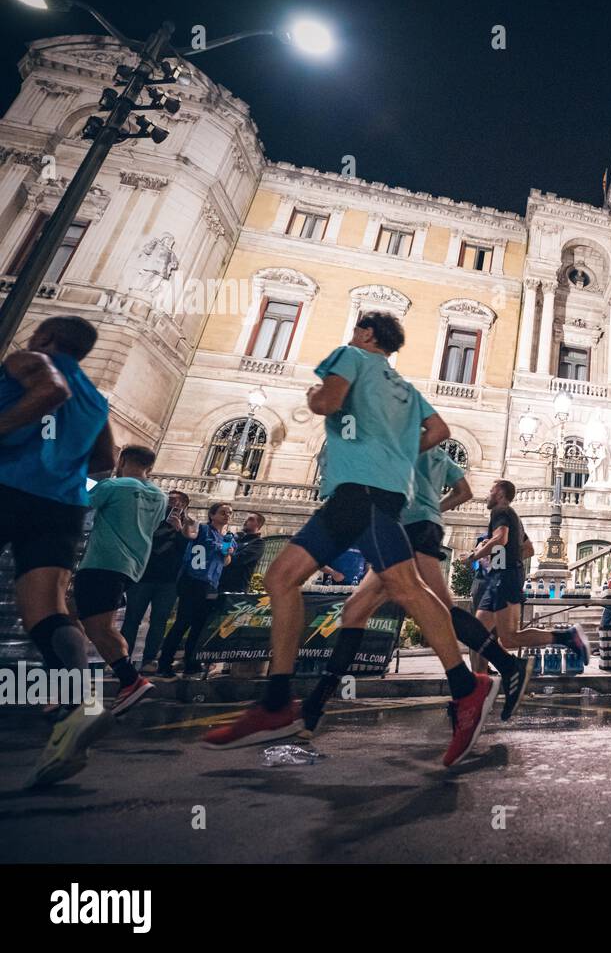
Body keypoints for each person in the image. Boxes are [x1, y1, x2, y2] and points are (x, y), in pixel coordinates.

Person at [202, 312, 498, 766]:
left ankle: (466, 688)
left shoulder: (352, 356)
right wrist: (397, 452)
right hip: (364, 493)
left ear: (366, 334)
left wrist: (315, 395)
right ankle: (277, 702)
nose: (354, 333)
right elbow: (440, 432)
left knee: (406, 588)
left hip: (362, 491)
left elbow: (327, 403)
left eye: (358, 328)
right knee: (282, 577)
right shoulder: (405, 389)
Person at [302, 445, 531, 735]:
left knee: (433, 607)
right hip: (414, 525)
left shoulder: (398, 441)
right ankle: (313, 708)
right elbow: (464, 491)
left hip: (406, 527)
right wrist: (433, 507)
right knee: (357, 610)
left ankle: (494, 674)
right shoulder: (436, 452)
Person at [1, 316, 119, 787]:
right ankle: (75, 702)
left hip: (9, 486)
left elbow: (51, 392)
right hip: (61, 504)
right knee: (48, 611)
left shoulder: (29, 359)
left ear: (46, 338)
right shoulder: (95, 397)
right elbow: (105, 461)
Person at [72, 444, 168, 716]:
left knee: (98, 628)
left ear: (123, 460)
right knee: (75, 617)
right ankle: (79, 679)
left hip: (102, 562)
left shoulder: (114, 486)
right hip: (131, 568)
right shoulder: (160, 497)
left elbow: (80, 503)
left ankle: (130, 680)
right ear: (149, 466)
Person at [466, 479, 589, 660]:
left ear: (500, 493)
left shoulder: (500, 510)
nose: (487, 496)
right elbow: (528, 548)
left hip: (503, 579)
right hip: (504, 577)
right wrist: (506, 559)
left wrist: (474, 556)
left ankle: (566, 637)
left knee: (507, 637)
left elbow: (500, 539)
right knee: (480, 634)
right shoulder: (514, 517)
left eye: (490, 491)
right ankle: (492, 675)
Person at [154, 501, 234, 679]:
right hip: (193, 580)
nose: (227, 515)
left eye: (229, 513)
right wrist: (187, 522)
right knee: (183, 622)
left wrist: (227, 552)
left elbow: (226, 562)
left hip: (211, 583)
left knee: (200, 625)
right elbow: (189, 534)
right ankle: (165, 663)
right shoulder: (204, 529)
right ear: (212, 515)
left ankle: (191, 662)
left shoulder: (228, 537)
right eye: (223, 512)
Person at [122, 489, 192, 669]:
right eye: (169, 501)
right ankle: (122, 659)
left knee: (159, 622)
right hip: (143, 577)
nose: (171, 505)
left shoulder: (187, 525)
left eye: (175, 502)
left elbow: (189, 552)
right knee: (132, 619)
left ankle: (149, 659)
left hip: (169, 581)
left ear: (183, 506)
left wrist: (178, 529)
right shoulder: (151, 519)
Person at [218, 512, 265, 593]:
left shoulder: (258, 543)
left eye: (250, 519)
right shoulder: (236, 538)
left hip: (236, 590)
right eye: (246, 519)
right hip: (218, 584)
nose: (246, 521)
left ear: (258, 524)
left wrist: (226, 554)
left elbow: (239, 560)